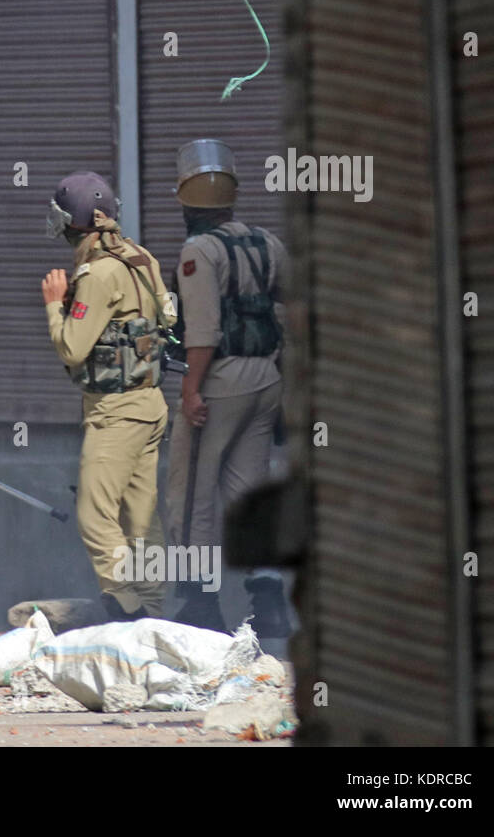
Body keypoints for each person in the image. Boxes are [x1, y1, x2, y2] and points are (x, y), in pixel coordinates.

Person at [163, 139, 290, 636]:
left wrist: (192, 390)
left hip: (219, 381)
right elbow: (292, 306)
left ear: (184, 197)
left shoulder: (198, 252)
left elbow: (203, 332)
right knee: (249, 491)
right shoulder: (266, 243)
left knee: (194, 489)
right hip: (267, 379)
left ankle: (201, 604)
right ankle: (270, 602)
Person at [42, 171, 175, 620]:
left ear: (73, 224)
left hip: (116, 411)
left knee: (95, 514)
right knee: (141, 519)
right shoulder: (141, 257)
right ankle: (153, 606)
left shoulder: (97, 274)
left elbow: (73, 347)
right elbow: (169, 320)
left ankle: (126, 602)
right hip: (150, 403)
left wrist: (55, 305)